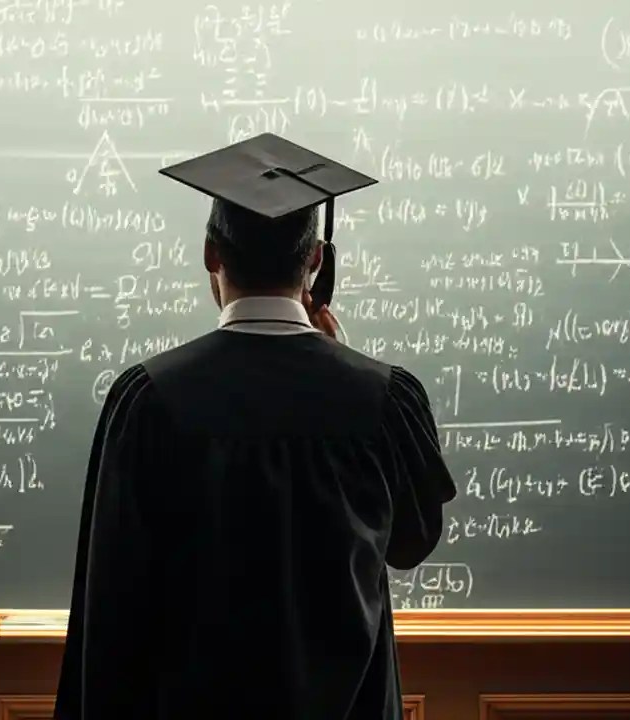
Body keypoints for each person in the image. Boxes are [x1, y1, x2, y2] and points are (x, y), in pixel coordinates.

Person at [54, 133, 457, 720]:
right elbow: (411, 543)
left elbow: (111, 608)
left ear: (210, 253)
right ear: (316, 261)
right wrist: (342, 362)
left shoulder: (147, 402)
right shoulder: (384, 398)